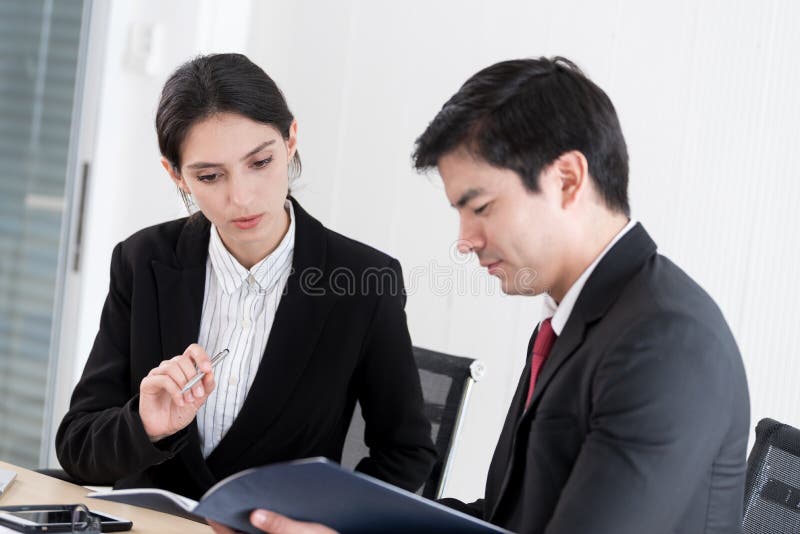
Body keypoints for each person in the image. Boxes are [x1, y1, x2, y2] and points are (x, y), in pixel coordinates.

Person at [214, 56, 750, 533]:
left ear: (567, 180)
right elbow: (504, 518)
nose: (465, 240)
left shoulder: (666, 341)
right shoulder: (577, 323)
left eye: (482, 207)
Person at [55, 53, 436, 499]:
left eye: (260, 162)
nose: (241, 197)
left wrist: (325, 523)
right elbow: (78, 447)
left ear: (290, 140)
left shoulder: (364, 280)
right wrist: (144, 425)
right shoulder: (142, 262)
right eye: (210, 176)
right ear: (176, 175)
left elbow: (407, 453)